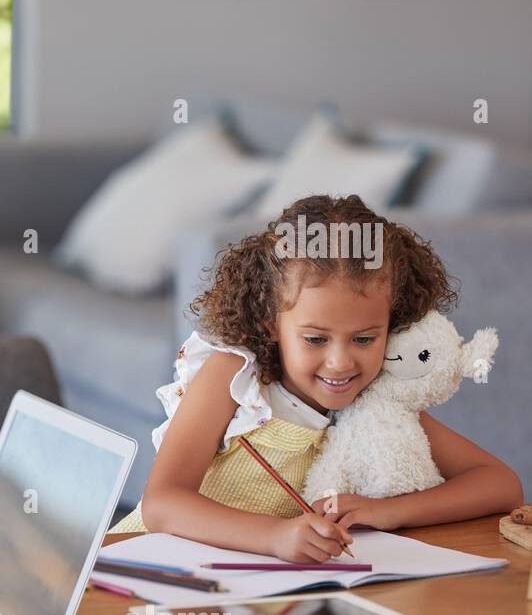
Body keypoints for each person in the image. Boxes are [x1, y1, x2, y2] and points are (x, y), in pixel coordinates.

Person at [109, 194, 522, 563]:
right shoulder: (235, 375)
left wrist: (389, 511)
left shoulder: (376, 400)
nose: (340, 363)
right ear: (271, 322)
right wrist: (273, 537)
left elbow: (500, 485)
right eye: (315, 339)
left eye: (364, 338)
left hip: (252, 591)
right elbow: (161, 504)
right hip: (142, 571)